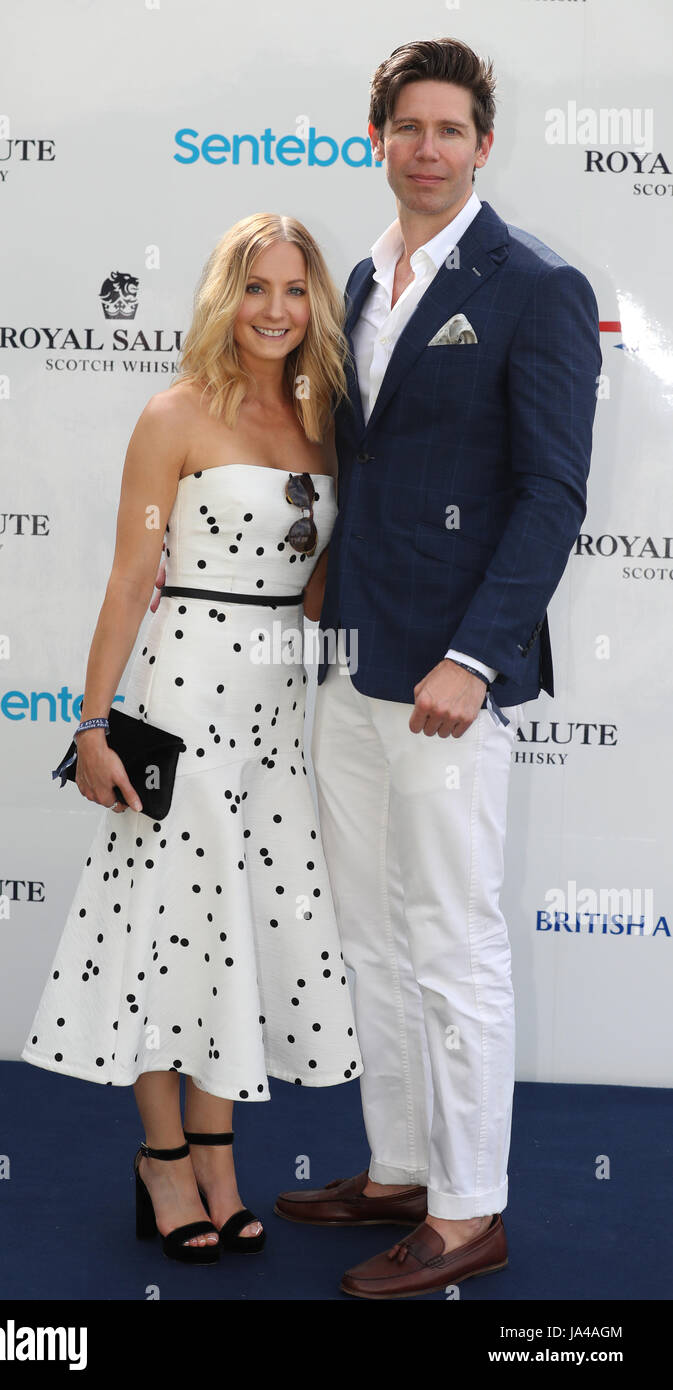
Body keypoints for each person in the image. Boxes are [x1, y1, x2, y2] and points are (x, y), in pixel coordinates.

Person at [273, 38, 602, 1298]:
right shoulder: (356, 275)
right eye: (404, 126)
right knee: (370, 933)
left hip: (446, 679)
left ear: (482, 144)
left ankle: (468, 1214)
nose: (425, 147)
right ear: (377, 138)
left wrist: (474, 654)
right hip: (352, 661)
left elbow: (548, 493)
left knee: (451, 939)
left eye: (448, 128)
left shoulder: (533, 284)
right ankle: (403, 1162)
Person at [21, 212, 364, 1264]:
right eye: (255, 288)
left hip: (277, 707)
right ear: (224, 298)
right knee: (160, 930)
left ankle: (218, 1156)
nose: (274, 310)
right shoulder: (174, 414)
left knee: (238, 936)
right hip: (181, 696)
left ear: (317, 307)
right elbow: (130, 579)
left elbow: (316, 582)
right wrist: (90, 724)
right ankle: (163, 1162)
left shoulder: (327, 424)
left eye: (295, 291)